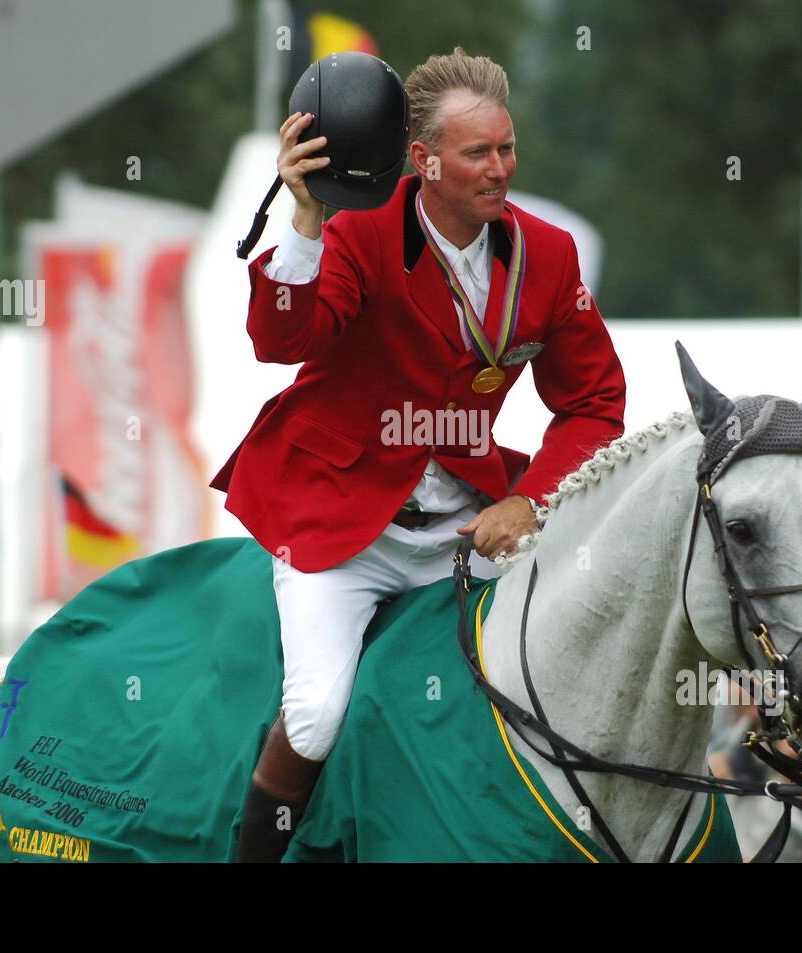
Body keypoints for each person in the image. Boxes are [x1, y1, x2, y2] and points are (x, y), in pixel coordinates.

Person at [213, 48, 626, 862]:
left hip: (466, 526)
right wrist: (303, 218)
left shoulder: (547, 254)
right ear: (424, 160)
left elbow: (592, 403)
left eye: (507, 148)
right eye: (479, 153)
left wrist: (531, 500)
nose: (500, 169)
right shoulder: (359, 231)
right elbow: (281, 338)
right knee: (318, 712)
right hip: (345, 524)